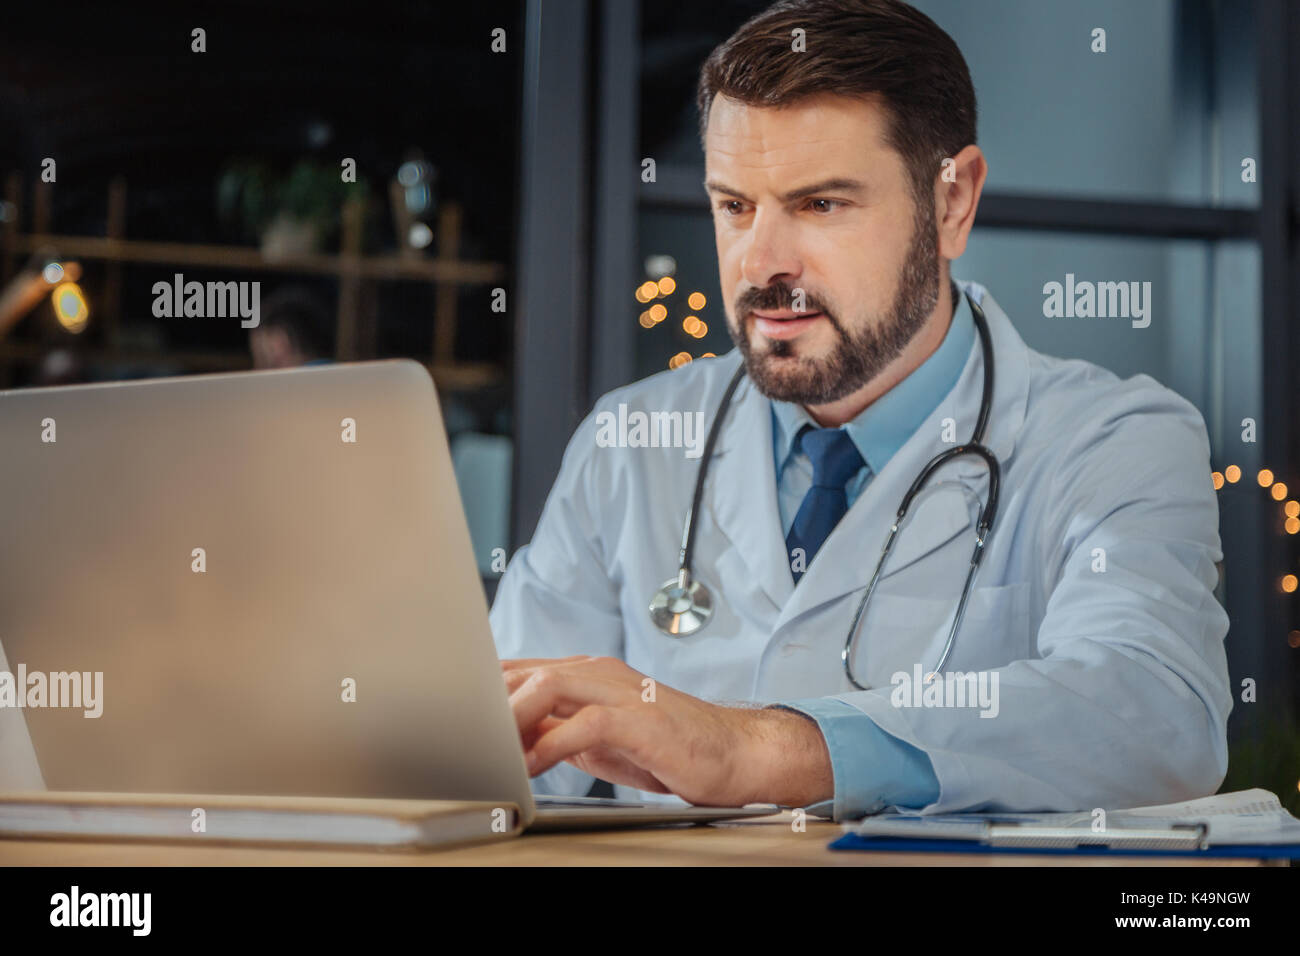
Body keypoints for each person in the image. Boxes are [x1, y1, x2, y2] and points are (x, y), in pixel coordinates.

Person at [490, 0, 1231, 820]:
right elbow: (498, 739)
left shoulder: (1112, 441)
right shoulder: (631, 439)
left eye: (821, 205)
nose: (762, 264)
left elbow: (1155, 713)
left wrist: (754, 749)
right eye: (735, 206)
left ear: (952, 203)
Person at [249, 286, 333, 369]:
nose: (257, 369)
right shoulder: (338, 373)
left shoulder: (292, 380)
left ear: (281, 343)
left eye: (262, 358)